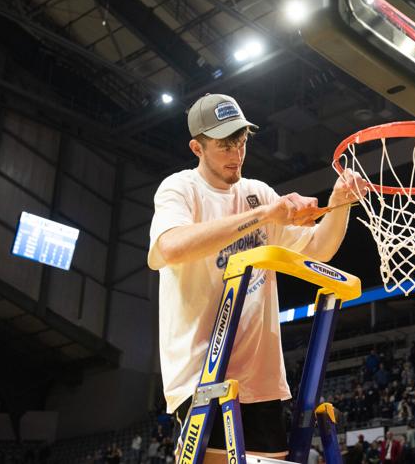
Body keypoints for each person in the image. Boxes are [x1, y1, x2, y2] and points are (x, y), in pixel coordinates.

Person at [148, 94, 367, 462]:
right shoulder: (180, 188)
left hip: (262, 380)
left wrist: (341, 201)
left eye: (242, 140)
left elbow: (318, 250)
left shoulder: (257, 193)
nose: (236, 152)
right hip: (204, 376)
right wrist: (265, 216)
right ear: (196, 147)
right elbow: (168, 248)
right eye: (224, 144)